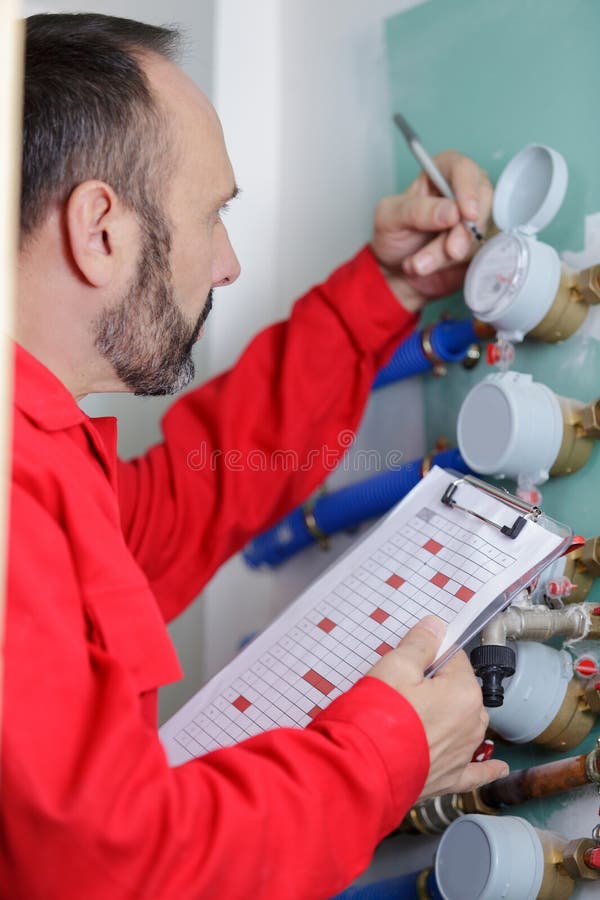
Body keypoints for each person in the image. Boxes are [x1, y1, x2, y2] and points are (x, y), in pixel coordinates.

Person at [1, 12, 506, 900]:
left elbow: (190, 498)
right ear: (101, 230)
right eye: (212, 215)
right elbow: (111, 868)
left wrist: (381, 292)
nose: (227, 263)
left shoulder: (39, 454)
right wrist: (386, 752)